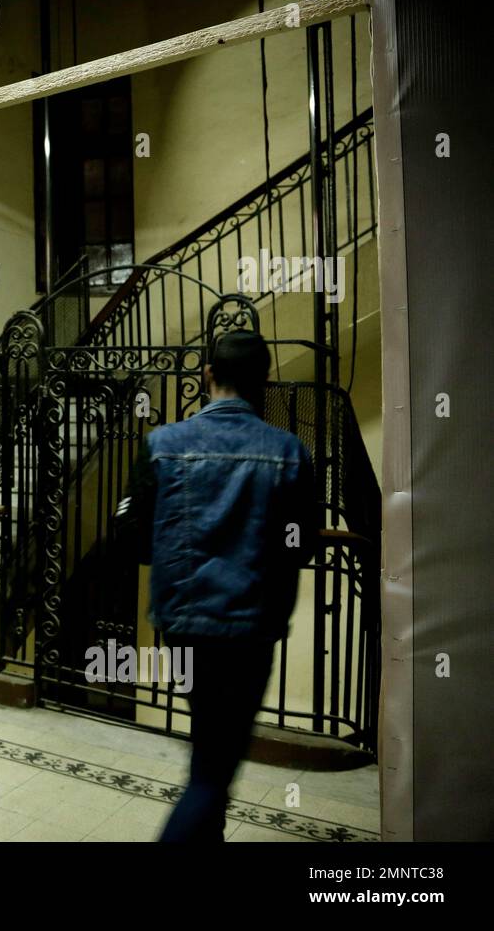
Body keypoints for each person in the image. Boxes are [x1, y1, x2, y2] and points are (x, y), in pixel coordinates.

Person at [118, 330, 320, 842]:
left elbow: (130, 536)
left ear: (208, 376)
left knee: (210, 749)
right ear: (264, 383)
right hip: (252, 629)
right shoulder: (291, 454)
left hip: (185, 626)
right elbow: (301, 545)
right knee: (213, 770)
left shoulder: (162, 446)